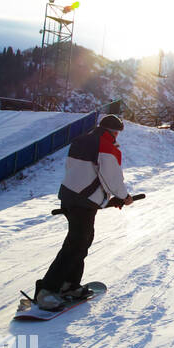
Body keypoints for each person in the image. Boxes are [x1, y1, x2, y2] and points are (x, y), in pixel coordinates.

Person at [33, 114, 132, 310]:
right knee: (76, 244)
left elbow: (79, 170)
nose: (116, 137)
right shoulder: (105, 146)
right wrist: (123, 196)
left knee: (81, 242)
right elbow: (111, 176)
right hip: (83, 201)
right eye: (116, 133)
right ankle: (47, 290)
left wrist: (103, 197)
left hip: (70, 196)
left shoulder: (81, 140)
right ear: (112, 132)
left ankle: (69, 285)